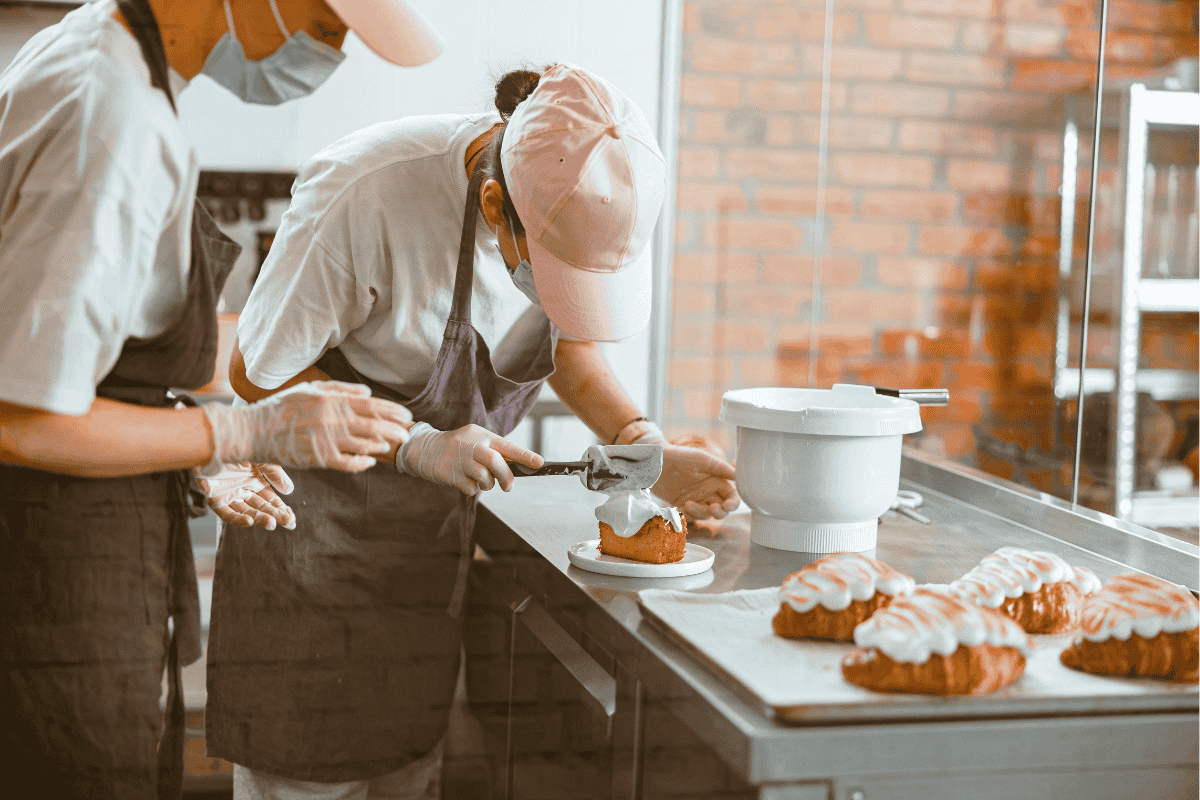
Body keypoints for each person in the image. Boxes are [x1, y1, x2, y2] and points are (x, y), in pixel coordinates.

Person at [204, 64, 740, 798]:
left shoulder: (572, 193)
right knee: (305, 779)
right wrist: (414, 444)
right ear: (494, 204)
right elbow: (258, 375)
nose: (556, 297)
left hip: (423, 556)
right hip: (314, 534)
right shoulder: (367, 191)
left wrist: (642, 445)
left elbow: (571, 346)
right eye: (552, 275)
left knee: (407, 769)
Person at [0, 1, 444, 797]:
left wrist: (203, 441)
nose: (329, 50)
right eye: (327, 22)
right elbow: (26, 418)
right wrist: (244, 432)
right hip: (55, 570)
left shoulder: (97, 50)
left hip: (80, 532)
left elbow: (93, 361)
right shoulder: (115, 119)